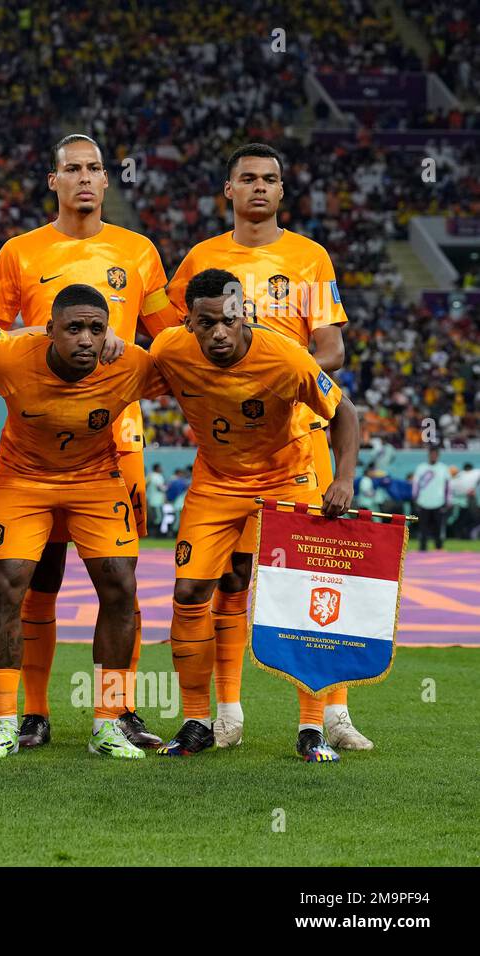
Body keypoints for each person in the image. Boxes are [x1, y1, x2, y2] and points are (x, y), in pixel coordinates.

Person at [167, 142, 369, 749]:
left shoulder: (308, 257)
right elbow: (179, 336)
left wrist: (270, 370)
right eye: (248, 178)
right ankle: (225, 713)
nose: (260, 187)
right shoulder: (201, 259)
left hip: (300, 436)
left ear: (282, 190)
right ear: (228, 190)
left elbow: (331, 348)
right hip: (227, 447)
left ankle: (332, 715)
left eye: (270, 179)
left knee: (311, 581)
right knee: (230, 580)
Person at [0, 133, 181, 750]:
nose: (86, 178)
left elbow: (169, 338)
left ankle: (119, 712)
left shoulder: (139, 251)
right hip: (39, 438)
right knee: (37, 579)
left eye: (95, 168)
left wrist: (134, 346)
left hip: (117, 438)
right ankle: (34, 712)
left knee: (120, 580)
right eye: (73, 169)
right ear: (55, 180)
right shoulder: (20, 252)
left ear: (106, 179)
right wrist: (33, 338)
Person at [152, 268, 358, 763]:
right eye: (206, 323)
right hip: (216, 484)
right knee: (190, 592)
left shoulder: (285, 357)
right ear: (188, 323)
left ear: (244, 312)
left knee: (305, 600)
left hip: (287, 481)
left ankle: (312, 728)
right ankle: (198, 720)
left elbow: (344, 412)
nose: (219, 333)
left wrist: (344, 479)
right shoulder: (168, 350)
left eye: (229, 319)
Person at [0, 284, 168, 759]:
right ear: (50, 329)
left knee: (121, 587)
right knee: (6, 588)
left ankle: (107, 724)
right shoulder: (10, 359)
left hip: (96, 481)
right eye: (74, 328)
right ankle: (4, 725)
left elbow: (192, 372)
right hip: (22, 482)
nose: (86, 339)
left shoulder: (130, 364)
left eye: (96, 329)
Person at [412, 445, 451, 551]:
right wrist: (415, 497)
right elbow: (415, 484)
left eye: (435, 454)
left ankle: (439, 548)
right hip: (423, 502)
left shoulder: (443, 468)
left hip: (438, 502)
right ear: (428, 455)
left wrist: (448, 500)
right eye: (431, 454)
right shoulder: (421, 468)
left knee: (438, 527)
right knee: (423, 527)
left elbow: (448, 486)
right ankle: (422, 548)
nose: (433, 456)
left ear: (438, 456)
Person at [146, 464, 167, 535]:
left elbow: (145, 485)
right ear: (157, 468)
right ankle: (156, 534)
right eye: (160, 467)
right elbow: (160, 487)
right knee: (159, 517)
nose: (162, 469)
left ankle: (152, 533)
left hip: (151, 500)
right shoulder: (158, 476)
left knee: (153, 517)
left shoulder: (149, 476)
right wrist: (167, 488)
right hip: (157, 501)